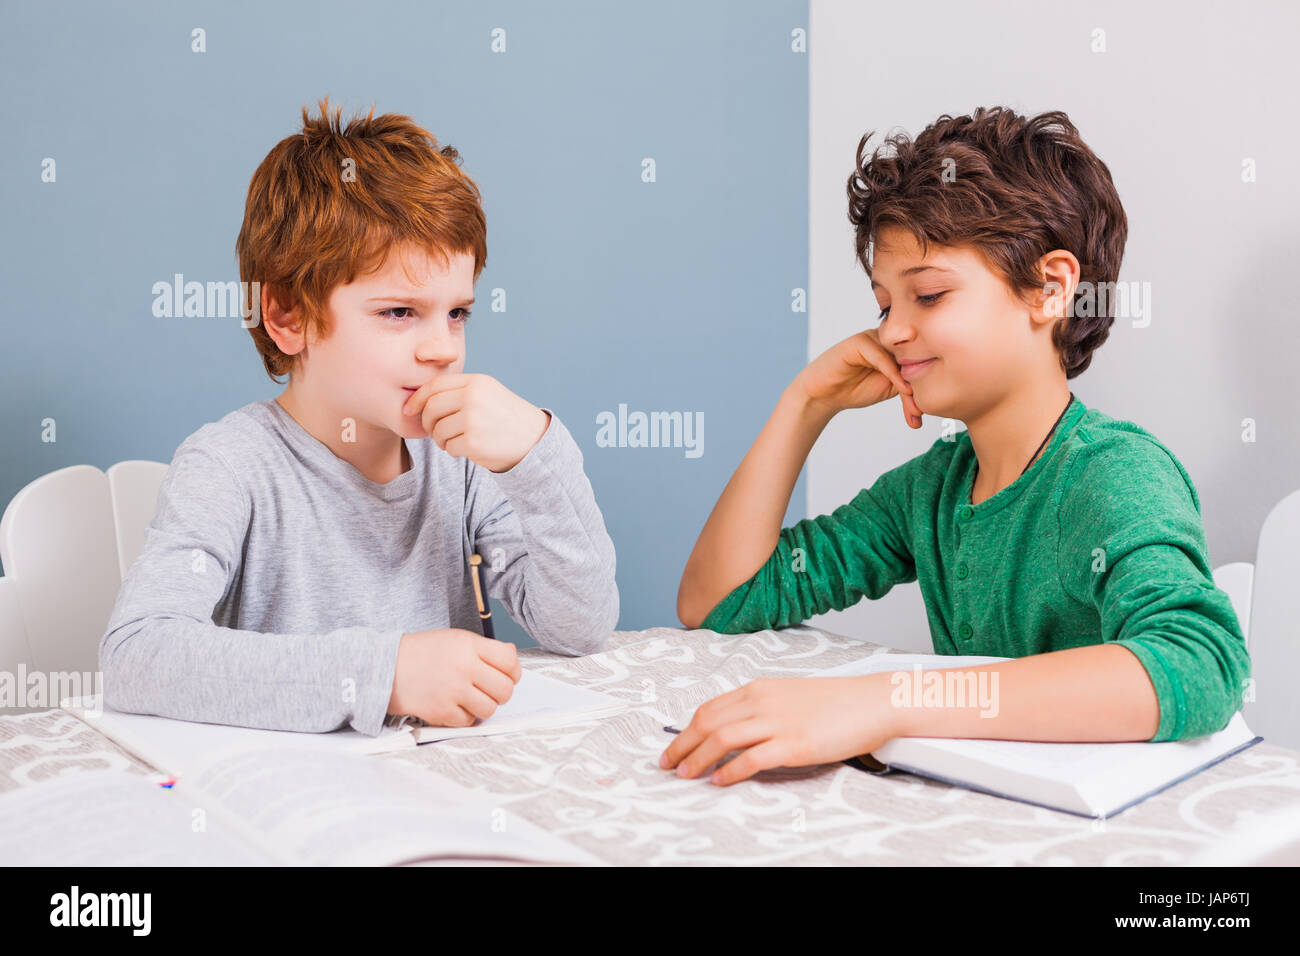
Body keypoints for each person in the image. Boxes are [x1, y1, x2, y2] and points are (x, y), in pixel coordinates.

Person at [666, 106, 1250, 786]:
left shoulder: (1114, 474)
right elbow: (718, 601)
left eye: (930, 295)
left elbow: (1199, 665)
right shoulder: (929, 492)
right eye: (885, 305)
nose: (892, 333)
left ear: (1051, 289)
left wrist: (890, 702)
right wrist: (806, 405)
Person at [100, 98, 619, 736]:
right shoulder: (230, 466)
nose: (443, 347)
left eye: (457, 312)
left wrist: (534, 456)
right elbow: (137, 657)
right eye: (399, 312)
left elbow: (582, 628)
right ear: (289, 316)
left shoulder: (461, 463)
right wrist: (384, 673)